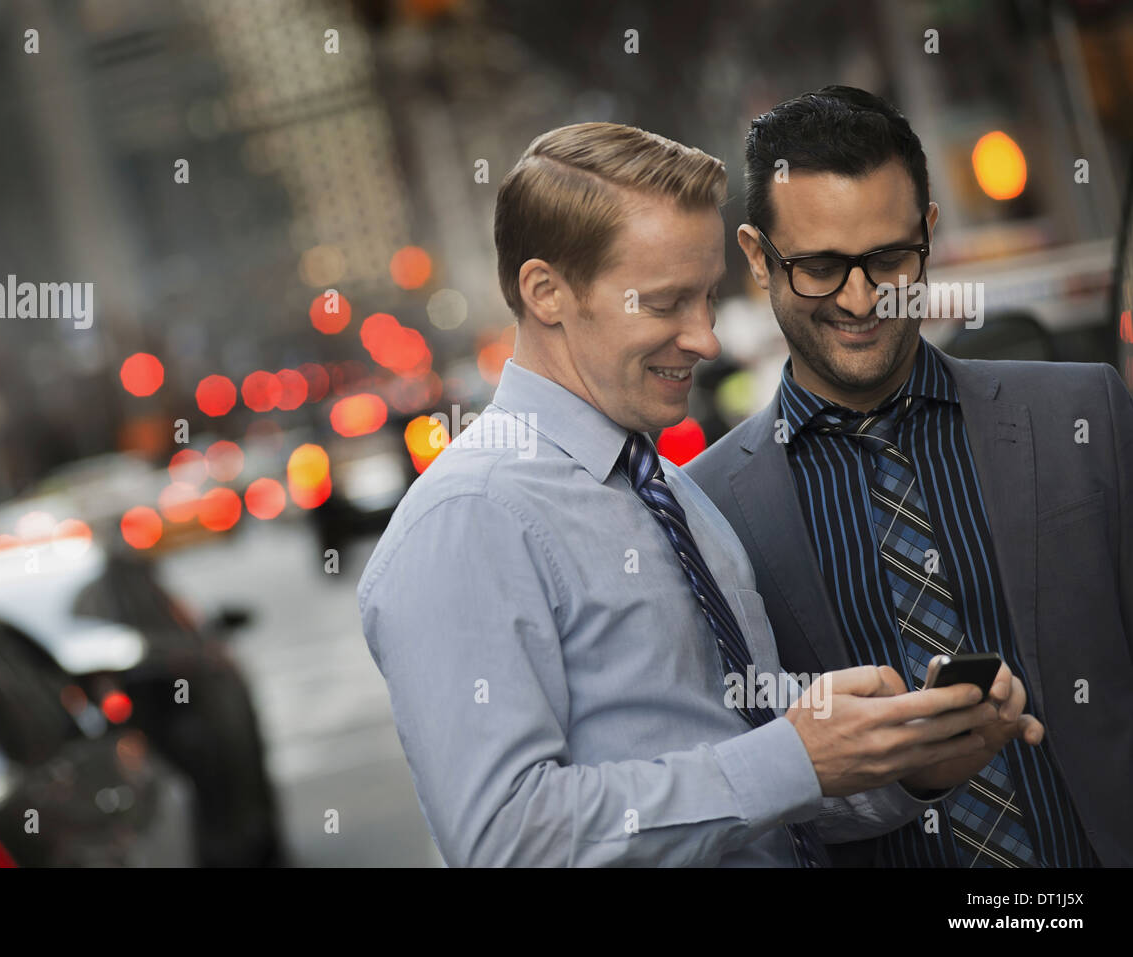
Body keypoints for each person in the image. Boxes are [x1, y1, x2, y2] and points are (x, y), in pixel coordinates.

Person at [356, 121, 1039, 867]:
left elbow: (758, 796)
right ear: (546, 292)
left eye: (706, 298)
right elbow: (508, 839)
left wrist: (904, 760)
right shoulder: (469, 519)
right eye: (663, 303)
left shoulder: (673, 496)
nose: (706, 338)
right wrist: (794, 759)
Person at [687, 86, 1133, 867]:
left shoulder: (1082, 413)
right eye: (821, 267)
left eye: (889, 257)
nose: (861, 298)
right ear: (757, 257)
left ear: (928, 233)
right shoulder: (707, 507)